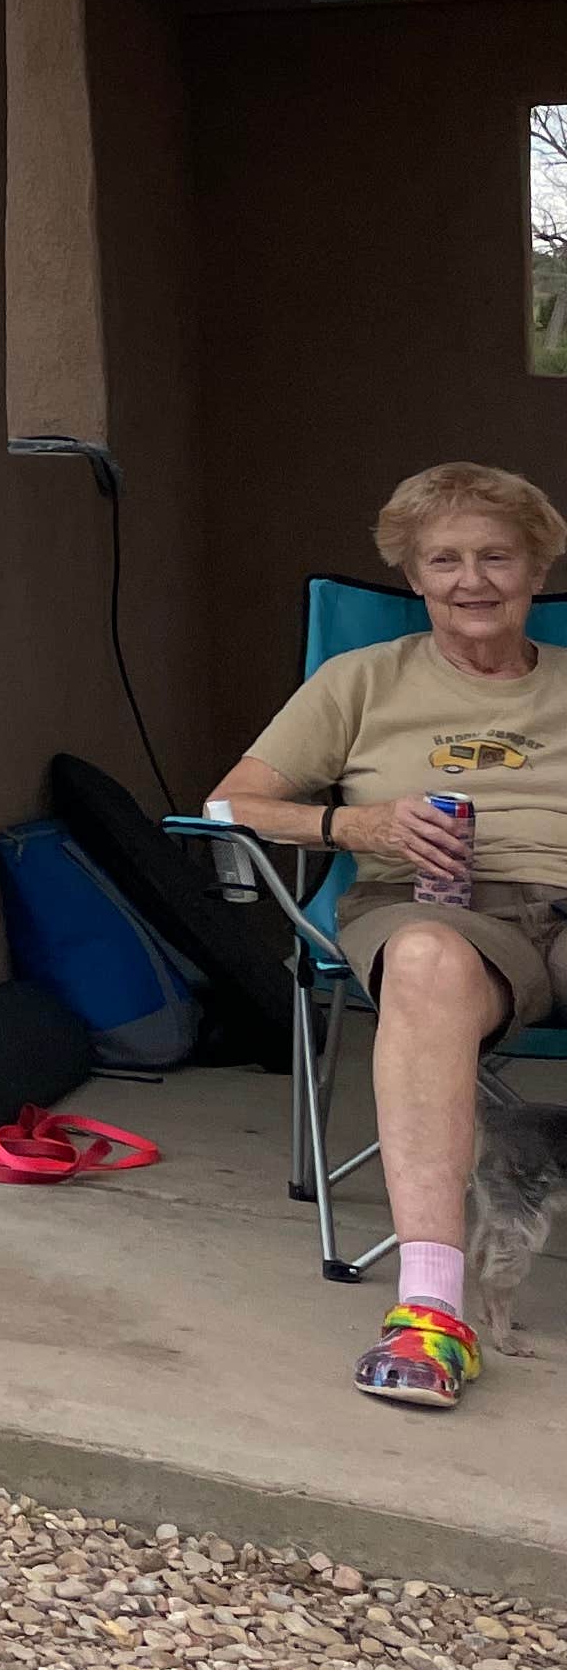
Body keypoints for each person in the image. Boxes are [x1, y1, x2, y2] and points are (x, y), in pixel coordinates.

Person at [207, 460, 567, 1409]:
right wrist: (354, 827)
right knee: (425, 962)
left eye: (497, 556)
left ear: (538, 569)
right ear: (413, 577)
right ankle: (430, 1310)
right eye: (443, 560)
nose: (471, 580)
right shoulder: (360, 680)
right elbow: (232, 801)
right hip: (433, 902)